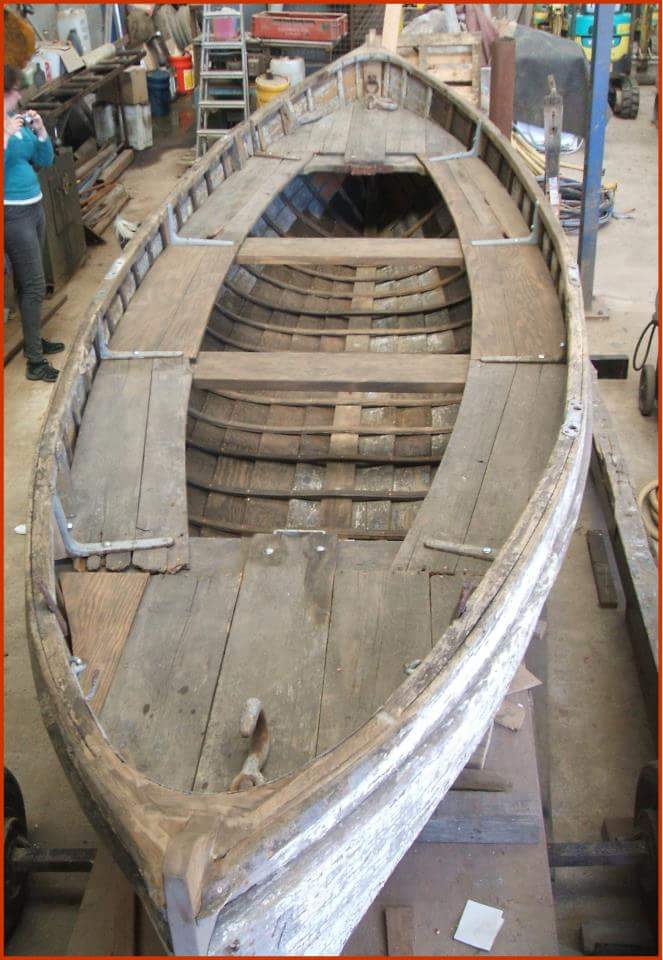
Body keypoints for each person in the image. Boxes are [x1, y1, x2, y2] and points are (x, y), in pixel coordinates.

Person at [4, 65, 64, 381]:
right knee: (36, 285)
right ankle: (34, 361)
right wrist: (4, 137)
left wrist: (40, 131)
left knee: (28, 282)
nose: (17, 96)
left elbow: (44, 160)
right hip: (12, 214)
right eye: (12, 90)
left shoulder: (18, 120)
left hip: (34, 207)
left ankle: (33, 339)